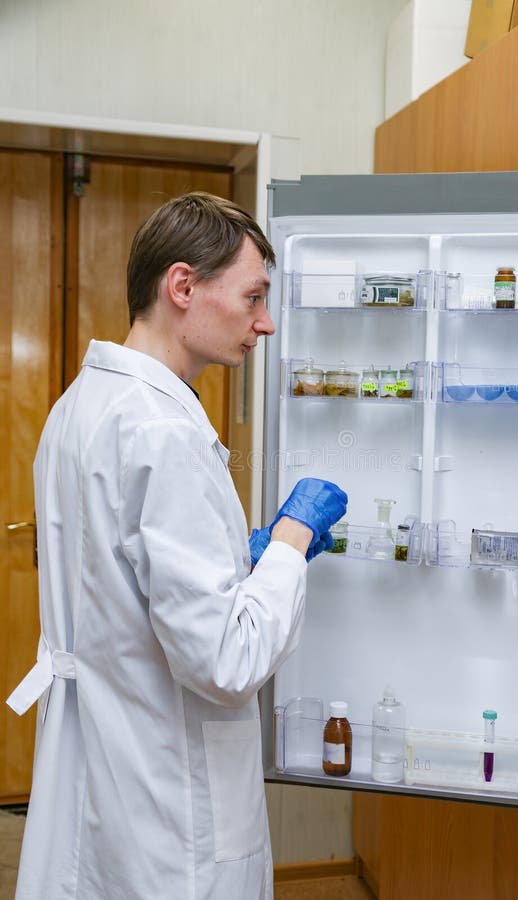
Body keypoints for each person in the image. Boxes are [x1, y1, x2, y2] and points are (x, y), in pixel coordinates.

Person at [6, 192, 347, 900]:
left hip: (108, 769)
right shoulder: (165, 432)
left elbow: (120, 585)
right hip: (168, 801)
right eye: (253, 296)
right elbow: (225, 660)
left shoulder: (82, 405)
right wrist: (291, 538)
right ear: (183, 286)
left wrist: (240, 564)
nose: (267, 322)